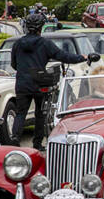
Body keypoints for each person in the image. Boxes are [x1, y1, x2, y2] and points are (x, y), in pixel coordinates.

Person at [10, 13, 90, 150]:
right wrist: (82, 57)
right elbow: (63, 56)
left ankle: (15, 139)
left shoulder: (17, 44)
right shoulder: (45, 43)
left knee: (21, 112)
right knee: (40, 113)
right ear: (41, 27)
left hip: (22, 83)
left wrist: (24, 71)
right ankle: (37, 143)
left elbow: (14, 64)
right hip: (39, 81)